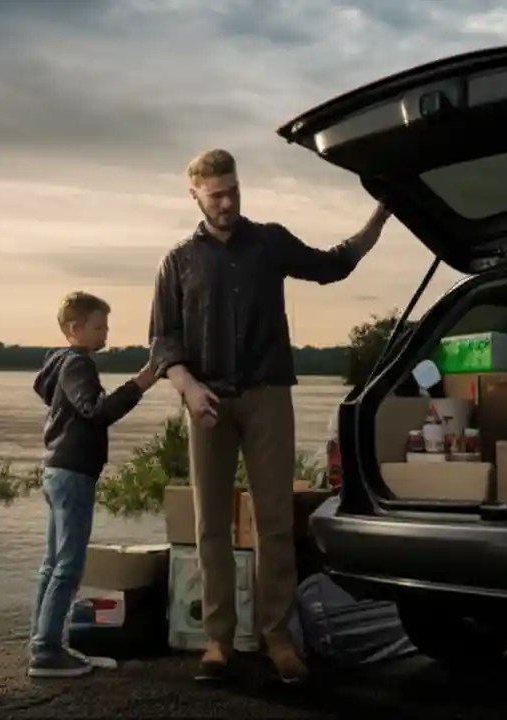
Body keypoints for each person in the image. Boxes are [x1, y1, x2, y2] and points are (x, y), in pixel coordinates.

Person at [148, 148, 390, 684]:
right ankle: (217, 641)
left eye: (234, 190)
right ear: (195, 195)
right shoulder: (177, 261)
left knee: (275, 521)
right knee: (211, 523)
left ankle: (277, 639)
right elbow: (163, 342)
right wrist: (186, 386)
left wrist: (382, 214)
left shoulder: (271, 241)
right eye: (217, 194)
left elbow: (335, 265)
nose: (229, 201)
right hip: (205, 401)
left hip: (268, 395)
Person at [28, 291, 157, 678]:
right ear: (74, 329)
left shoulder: (61, 364)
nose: (106, 334)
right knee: (67, 566)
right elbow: (96, 410)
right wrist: (143, 382)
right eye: (99, 327)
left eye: (106, 326)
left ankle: (45, 644)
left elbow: (72, 407)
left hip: (57, 471)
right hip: (72, 474)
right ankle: (47, 652)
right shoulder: (79, 364)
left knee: (53, 565)